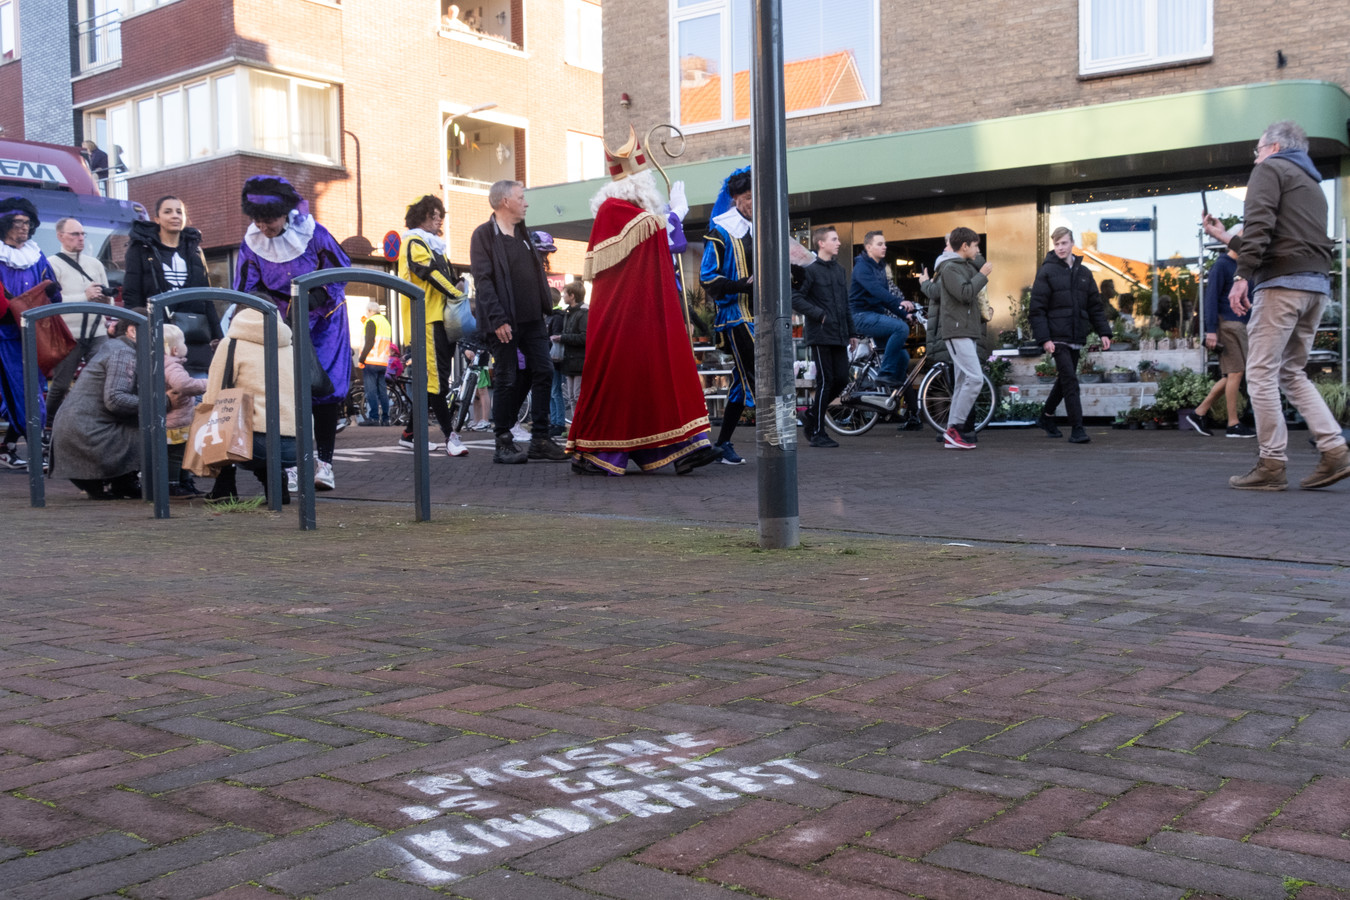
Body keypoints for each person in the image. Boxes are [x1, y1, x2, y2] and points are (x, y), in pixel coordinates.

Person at [1203, 120, 1349, 491]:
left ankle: (1271, 463)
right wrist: (1224, 237)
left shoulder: (1271, 169)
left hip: (1281, 287)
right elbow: (1282, 239)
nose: (1255, 160)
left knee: (1261, 373)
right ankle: (1335, 450)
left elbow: (1260, 228)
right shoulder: (1312, 184)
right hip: (1314, 287)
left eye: (1257, 150)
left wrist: (1241, 277)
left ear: (1273, 147)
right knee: (1291, 372)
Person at [566, 139, 719, 476]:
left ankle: (685, 447)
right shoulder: (613, 212)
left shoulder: (638, 217)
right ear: (636, 186)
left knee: (656, 378)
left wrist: (671, 220)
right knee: (625, 384)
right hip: (624, 321)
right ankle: (599, 454)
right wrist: (675, 214)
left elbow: (673, 244)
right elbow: (656, 235)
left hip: (644, 317)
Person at [235, 175, 352, 491]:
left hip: (324, 321)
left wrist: (317, 294)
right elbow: (244, 288)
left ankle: (324, 464)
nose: (264, 226)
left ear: (285, 212)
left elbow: (341, 270)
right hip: (280, 324)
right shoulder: (252, 245)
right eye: (257, 220)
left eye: (269, 219)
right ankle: (292, 464)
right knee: (286, 390)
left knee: (323, 390)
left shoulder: (314, 235)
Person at [468, 180, 568, 464]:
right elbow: (484, 281)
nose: (526, 202)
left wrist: (545, 308)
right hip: (504, 321)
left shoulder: (524, 234)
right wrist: (498, 319)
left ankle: (540, 440)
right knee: (508, 378)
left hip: (533, 319)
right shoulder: (484, 235)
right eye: (521, 197)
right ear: (504, 202)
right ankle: (503, 442)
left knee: (544, 371)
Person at [398, 193, 470, 457]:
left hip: (438, 319)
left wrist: (458, 283)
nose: (439, 219)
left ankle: (409, 435)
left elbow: (443, 275)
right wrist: (457, 292)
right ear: (422, 216)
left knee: (434, 380)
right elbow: (427, 272)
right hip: (426, 319)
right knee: (436, 382)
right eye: (434, 214)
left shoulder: (433, 244)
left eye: (440, 214)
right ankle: (450, 436)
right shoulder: (415, 241)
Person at [203, 307, 298, 504]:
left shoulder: (231, 344)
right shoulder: (289, 346)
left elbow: (213, 396)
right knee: (266, 421)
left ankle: (224, 489)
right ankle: (276, 487)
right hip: (296, 446)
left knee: (221, 421)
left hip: (253, 445)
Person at [1029, 226, 1113, 444]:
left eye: (1064, 243)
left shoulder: (1084, 273)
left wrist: (1104, 332)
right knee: (1070, 381)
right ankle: (1077, 429)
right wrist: (1044, 339)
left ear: (1072, 243)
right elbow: (1037, 308)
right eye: (1056, 244)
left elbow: (1095, 305)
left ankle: (1046, 417)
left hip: (1076, 335)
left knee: (1064, 380)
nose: (1060, 248)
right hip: (1056, 337)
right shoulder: (1046, 271)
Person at [121, 195, 219, 376]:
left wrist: (218, 336)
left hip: (194, 337)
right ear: (157, 219)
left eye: (179, 211)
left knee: (197, 386)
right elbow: (132, 294)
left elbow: (207, 298)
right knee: (162, 387)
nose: (175, 216)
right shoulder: (140, 250)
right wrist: (132, 325)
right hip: (158, 332)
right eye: (168, 211)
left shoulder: (195, 251)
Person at [699, 166, 755, 465]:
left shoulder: (762, 229)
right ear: (735, 199)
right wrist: (742, 285)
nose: (752, 203)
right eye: (747, 197)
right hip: (735, 317)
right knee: (760, 371)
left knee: (740, 381)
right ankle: (777, 434)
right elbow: (707, 278)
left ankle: (722, 443)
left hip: (762, 316)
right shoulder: (720, 231)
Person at [0, 197, 60, 469]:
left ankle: (12, 447)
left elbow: (53, 289)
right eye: (17, 222)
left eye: (27, 223)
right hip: (5, 334)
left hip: (35, 333)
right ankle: (36, 448)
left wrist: (49, 291)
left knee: (31, 389)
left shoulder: (36, 255)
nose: (23, 228)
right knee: (19, 391)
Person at [51, 318, 140, 499]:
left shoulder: (113, 347)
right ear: (133, 331)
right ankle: (124, 481)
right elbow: (116, 400)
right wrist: (162, 402)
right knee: (156, 425)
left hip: (75, 433)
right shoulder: (123, 352)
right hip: (88, 437)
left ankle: (120, 483)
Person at [1185, 227, 1255, 438]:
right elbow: (1210, 300)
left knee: (1233, 373)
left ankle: (1199, 413)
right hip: (1228, 325)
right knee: (1235, 373)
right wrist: (1211, 332)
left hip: (1240, 326)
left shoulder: (1243, 267)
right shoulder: (1222, 265)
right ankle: (1233, 424)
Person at [47, 218, 113, 433]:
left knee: (105, 379)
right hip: (68, 334)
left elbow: (109, 300)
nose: (81, 238)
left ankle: (98, 423)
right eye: (75, 234)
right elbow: (50, 303)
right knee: (61, 384)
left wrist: (103, 299)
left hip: (97, 330)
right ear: (60, 236)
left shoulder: (95, 264)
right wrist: (84, 296)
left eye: (83, 233)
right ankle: (48, 425)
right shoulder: (52, 264)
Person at [791, 226, 854, 448]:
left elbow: (845, 304)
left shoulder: (839, 270)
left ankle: (811, 414)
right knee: (826, 381)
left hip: (839, 334)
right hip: (820, 334)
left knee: (842, 380)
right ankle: (818, 432)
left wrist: (852, 332)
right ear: (821, 243)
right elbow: (795, 298)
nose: (838, 243)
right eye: (834, 239)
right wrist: (819, 315)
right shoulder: (810, 270)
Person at [931, 227, 993, 450]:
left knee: (962, 383)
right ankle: (955, 429)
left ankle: (952, 433)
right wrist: (982, 275)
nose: (978, 249)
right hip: (957, 332)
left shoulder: (961, 265)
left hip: (964, 331)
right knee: (974, 379)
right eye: (975, 245)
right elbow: (965, 293)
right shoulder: (950, 268)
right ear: (965, 246)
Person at [849, 231, 916, 392]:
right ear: (868, 247)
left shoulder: (879, 268)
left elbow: (885, 300)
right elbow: (877, 291)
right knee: (900, 328)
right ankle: (885, 373)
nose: (884, 247)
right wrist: (901, 302)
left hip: (875, 316)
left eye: (885, 244)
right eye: (880, 244)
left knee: (903, 357)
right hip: (860, 316)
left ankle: (892, 399)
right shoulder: (862, 268)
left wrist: (904, 314)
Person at [162, 323, 207, 497]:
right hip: (176, 420)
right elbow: (183, 385)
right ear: (175, 349)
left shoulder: (161, 363)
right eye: (184, 343)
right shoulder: (172, 366)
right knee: (177, 454)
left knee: (181, 453)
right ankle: (173, 484)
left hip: (174, 418)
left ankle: (184, 482)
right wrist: (206, 384)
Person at [556, 280, 587, 424]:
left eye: (565, 294)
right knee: (572, 396)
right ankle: (577, 426)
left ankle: (580, 426)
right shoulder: (570, 313)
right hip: (570, 360)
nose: (562, 296)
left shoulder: (582, 313)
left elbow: (584, 337)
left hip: (578, 361)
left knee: (577, 396)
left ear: (572, 295)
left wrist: (562, 337)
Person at [357, 299, 391, 427]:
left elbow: (369, 342)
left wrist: (362, 358)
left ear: (371, 311)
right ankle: (386, 419)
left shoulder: (371, 321)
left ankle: (374, 418)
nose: (367, 314)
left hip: (371, 361)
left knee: (371, 390)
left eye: (367, 312)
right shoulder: (386, 322)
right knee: (382, 391)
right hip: (383, 362)